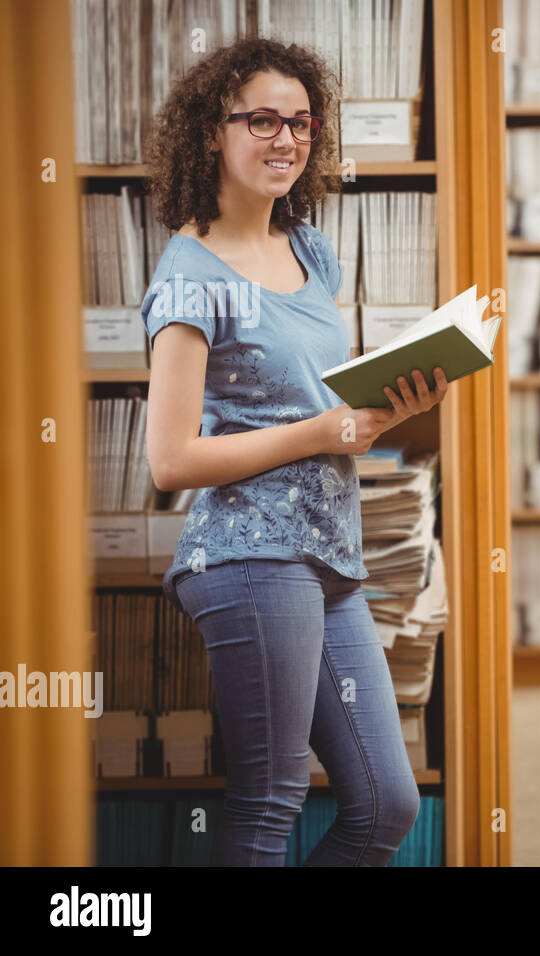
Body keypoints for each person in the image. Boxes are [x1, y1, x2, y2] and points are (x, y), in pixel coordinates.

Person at [140, 36, 446, 866]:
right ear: (212, 130)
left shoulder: (308, 248)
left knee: (385, 803)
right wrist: (322, 432)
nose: (287, 140)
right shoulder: (188, 276)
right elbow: (169, 461)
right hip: (246, 557)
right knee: (269, 804)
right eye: (263, 121)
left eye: (303, 123)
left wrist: (396, 403)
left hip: (328, 552)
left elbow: (323, 404)